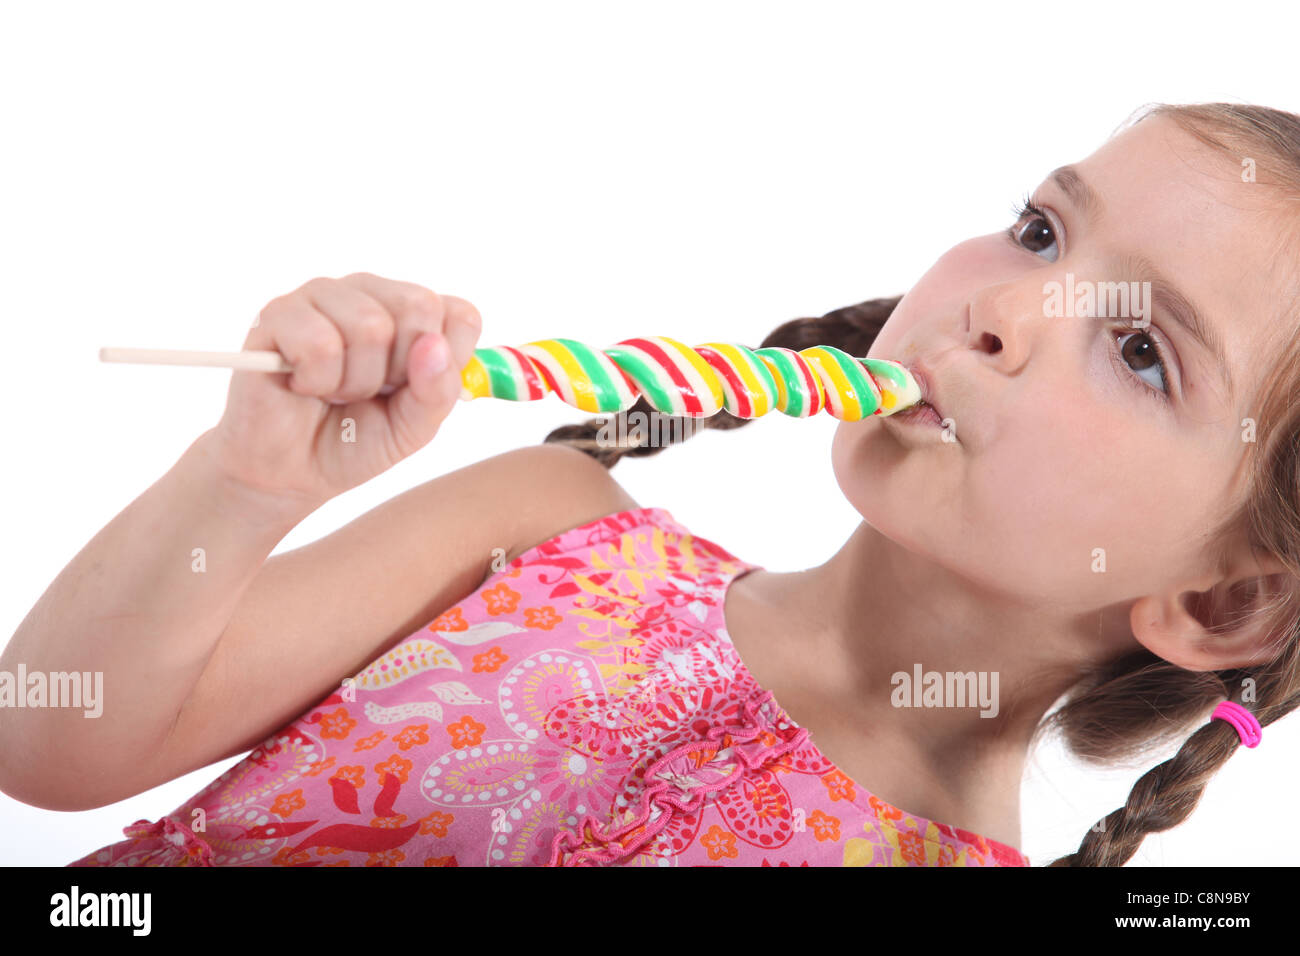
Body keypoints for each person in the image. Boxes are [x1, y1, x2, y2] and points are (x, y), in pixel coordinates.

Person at [3, 100, 1296, 866]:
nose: (1006, 308)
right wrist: (244, 484)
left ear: (1225, 604)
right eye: (1040, 231)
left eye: (1140, 348)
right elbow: (42, 745)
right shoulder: (544, 524)